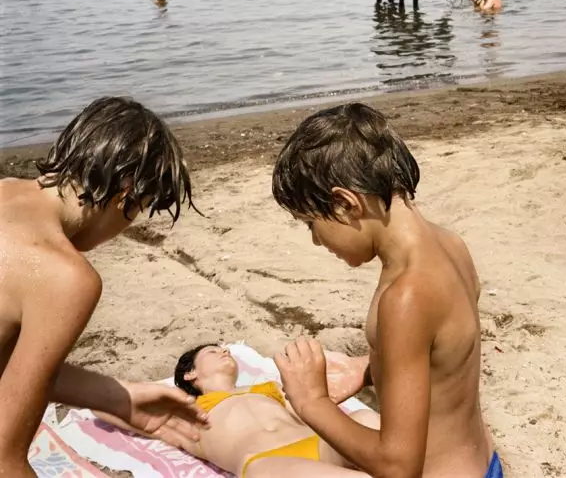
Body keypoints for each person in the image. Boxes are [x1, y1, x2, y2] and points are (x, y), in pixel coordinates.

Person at [271, 103, 502, 478]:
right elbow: (445, 354)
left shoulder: (404, 297)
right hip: (482, 465)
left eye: (310, 223)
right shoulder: (449, 245)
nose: (315, 241)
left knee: (268, 469)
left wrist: (310, 400)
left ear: (345, 204)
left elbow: (399, 466)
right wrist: (368, 369)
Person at [0, 97, 207, 476]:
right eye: (140, 207)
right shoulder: (64, 276)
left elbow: (7, 365)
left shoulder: (6, 189)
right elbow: (3, 459)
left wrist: (118, 396)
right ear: (125, 193)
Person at [98, 344, 380, 477]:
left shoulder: (269, 387)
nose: (225, 352)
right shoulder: (184, 411)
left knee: (368, 420)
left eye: (227, 350)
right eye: (212, 351)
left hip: (316, 442)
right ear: (190, 374)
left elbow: (313, 411)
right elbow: (104, 409)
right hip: (267, 461)